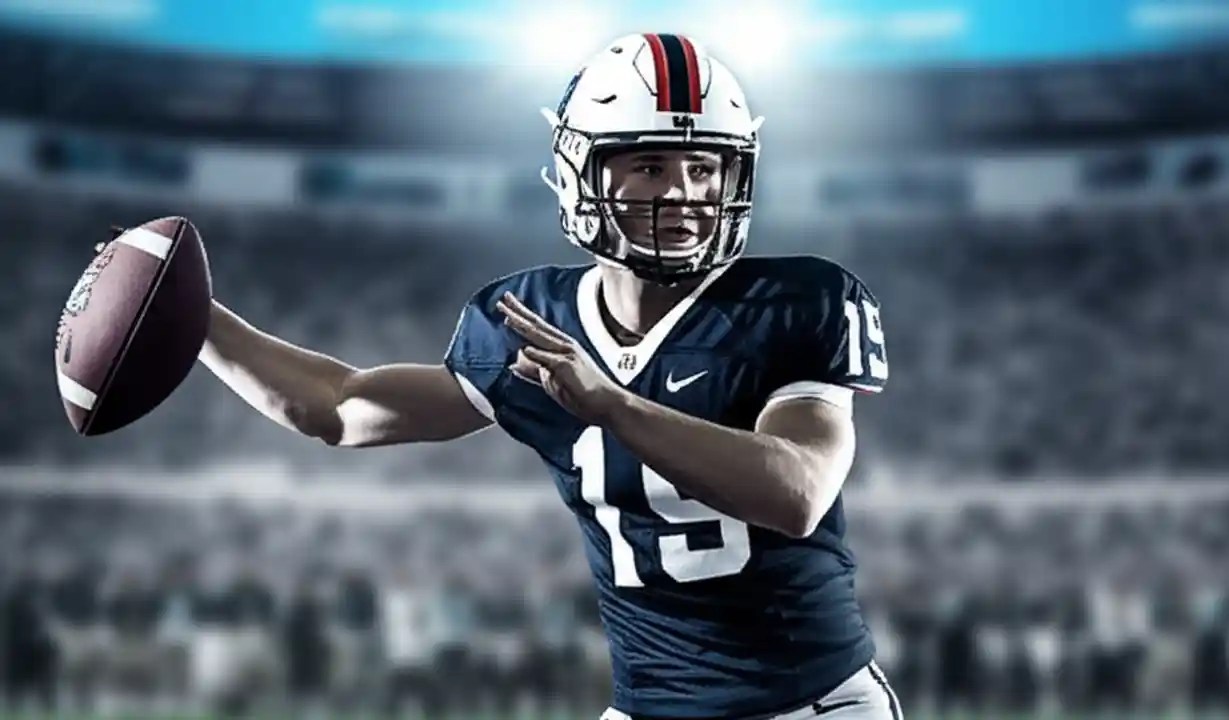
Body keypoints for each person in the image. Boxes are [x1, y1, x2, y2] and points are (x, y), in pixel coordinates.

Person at [199, 32, 897, 719]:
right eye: (651, 167)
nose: (685, 193)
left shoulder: (796, 300)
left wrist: (612, 406)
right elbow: (339, 409)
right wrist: (193, 319)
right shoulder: (529, 319)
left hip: (810, 705)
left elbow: (798, 492)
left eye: (704, 168)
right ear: (580, 175)